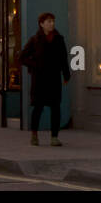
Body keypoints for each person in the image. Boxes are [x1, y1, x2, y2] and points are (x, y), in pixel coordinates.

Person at [20, 11, 70, 146]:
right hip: (40, 79)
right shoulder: (35, 40)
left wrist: (66, 75)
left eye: (53, 21)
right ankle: (34, 135)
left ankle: (54, 136)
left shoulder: (59, 39)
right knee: (38, 107)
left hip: (54, 78)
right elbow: (22, 57)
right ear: (41, 24)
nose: (52, 24)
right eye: (48, 21)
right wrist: (35, 65)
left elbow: (63, 58)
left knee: (55, 107)